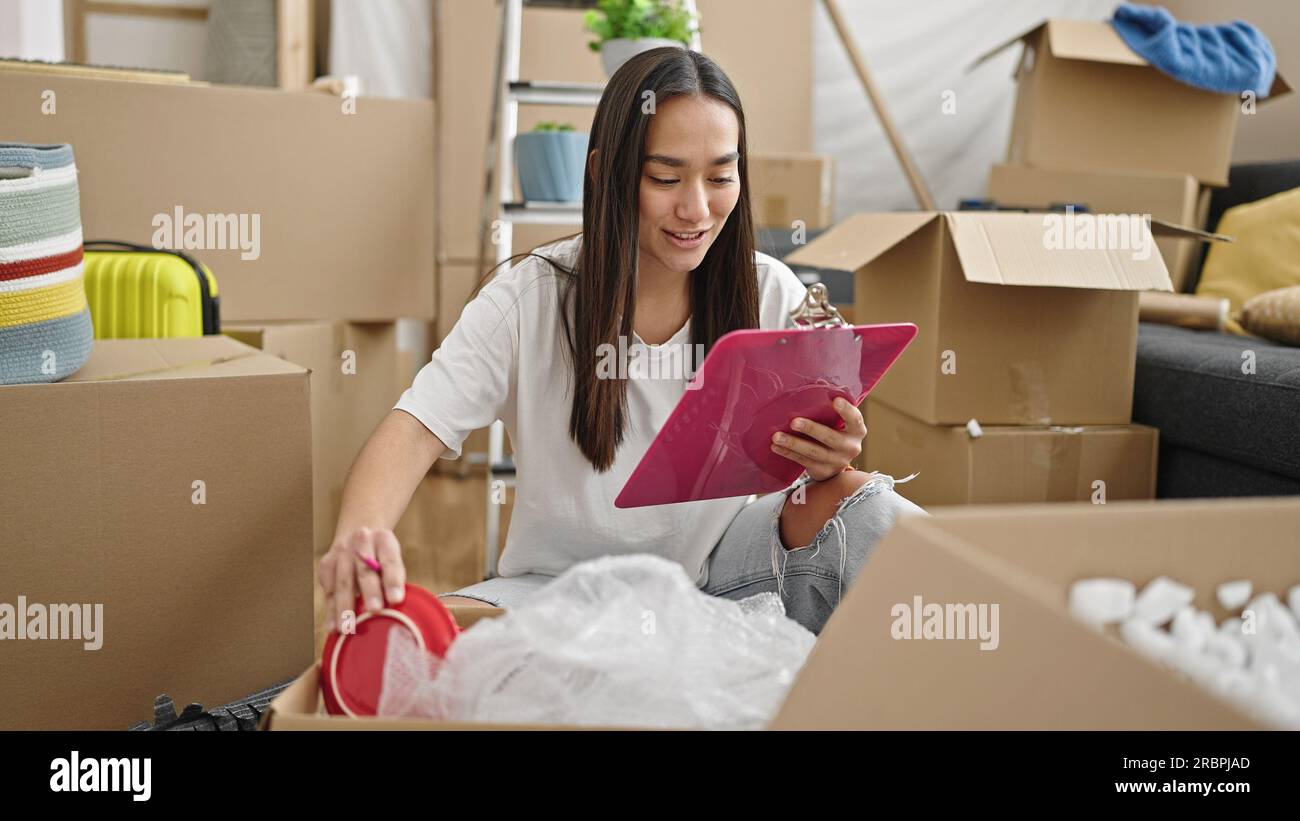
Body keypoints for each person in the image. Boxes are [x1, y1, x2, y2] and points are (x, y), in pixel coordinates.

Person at [317, 47, 924, 636]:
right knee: (426, 641)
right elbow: (413, 427)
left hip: (724, 579)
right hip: (558, 589)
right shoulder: (529, 297)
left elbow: (825, 471)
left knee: (864, 504)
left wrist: (834, 452)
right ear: (606, 171)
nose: (697, 209)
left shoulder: (772, 292)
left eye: (721, 176)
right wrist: (360, 533)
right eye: (666, 178)